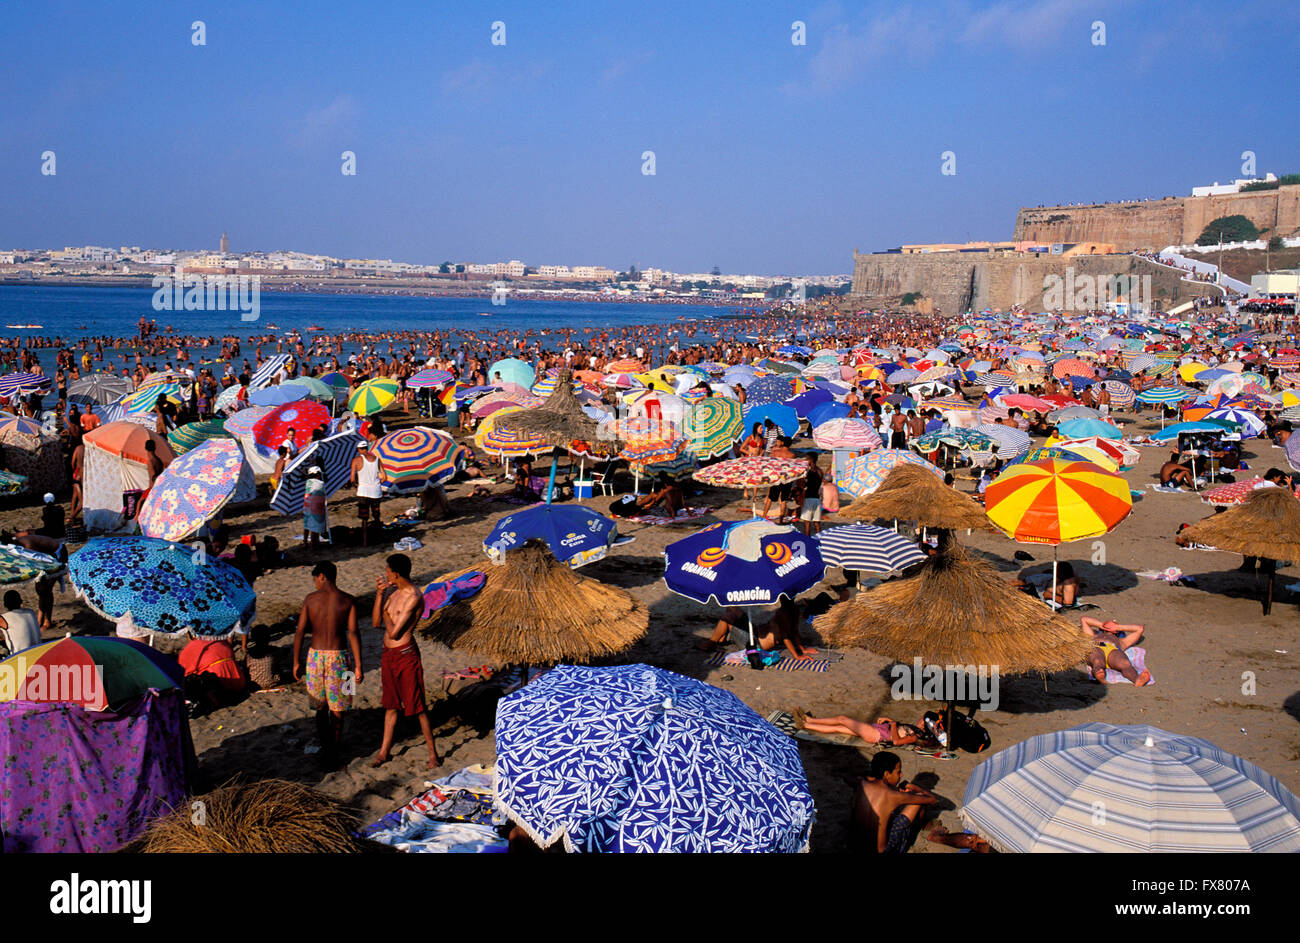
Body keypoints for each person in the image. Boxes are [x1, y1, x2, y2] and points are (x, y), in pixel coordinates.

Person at [371, 553, 439, 769]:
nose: (386, 574)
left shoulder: (413, 596)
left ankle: (433, 755)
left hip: (405, 655)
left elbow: (394, 632)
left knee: (417, 706)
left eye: (388, 570)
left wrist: (385, 614)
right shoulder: (392, 592)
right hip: (388, 655)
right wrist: (379, 595)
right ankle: (384, 752)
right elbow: (375, 622)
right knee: (391, 705)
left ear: (396, 573)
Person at [293, 561, 363, 768]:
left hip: (314, 658)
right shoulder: (348, 600)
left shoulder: (310, 599)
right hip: (340, 657)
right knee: (340, 707)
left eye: (315, 579)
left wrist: (296, 661)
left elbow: (299, 632)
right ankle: (335, 748)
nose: (314, 583)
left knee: (319, 706)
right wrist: (358, 665)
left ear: (321, 576)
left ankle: (325, 748)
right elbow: (353, 633)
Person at [852, 752, 939, 854]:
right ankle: (924, 826)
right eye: (898, 772)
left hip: (856, 847)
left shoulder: (861, 784)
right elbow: (933, 799)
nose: (901, 775)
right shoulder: (893, 796)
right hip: (884, 851)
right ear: (886, 774)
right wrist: (913, 787)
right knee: (919, 799)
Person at [1081, 616, 1151, 685]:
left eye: (1114, 624)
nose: (1112, 624)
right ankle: (1099, 675)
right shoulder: (1093, 636)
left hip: (1113, 649)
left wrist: (1118, 627)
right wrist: (1102, 625)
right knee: (1097, 661)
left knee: (1124, 663)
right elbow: (1084, 619)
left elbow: (1140, 629)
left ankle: (1136, 680)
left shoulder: (1122, 641)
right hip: (1097, 646)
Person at [793, 709, 921, 746]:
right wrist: (890, 721)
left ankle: (809, 720)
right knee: (839, 728)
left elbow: (896, 740)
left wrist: (892, 724)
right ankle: (806, 724)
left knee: (842, 719)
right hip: (876, 731)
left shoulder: (915, 736)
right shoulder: (915, 730)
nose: (920, 721)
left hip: (875, 734)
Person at [351, 440, 383, 545]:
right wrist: (376, 483)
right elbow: (384, 477)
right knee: (376, 515)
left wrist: (356, 487)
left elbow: (352, 480)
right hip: (376, 491)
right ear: (367, 448)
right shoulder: (377, 459)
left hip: (363, 491)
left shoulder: (356, 460)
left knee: (364, 518)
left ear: (359, 449)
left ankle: (365, 542)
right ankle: (379, 538)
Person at [0, 590, 41, 654]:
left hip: (19, 657)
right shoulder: (31, 612)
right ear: (20, 602)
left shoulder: (4, 618)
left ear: (5, 604)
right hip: (39, 652)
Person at [303, 464, 328, 547]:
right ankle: (313, 544)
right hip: (315, 507)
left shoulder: (308, 483)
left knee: (307, 525)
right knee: (315, 526)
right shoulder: (320, 483)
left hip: (307, 505)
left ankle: (305, 541)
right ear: (318, 474)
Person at [799, 455, 824, 536]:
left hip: (809, 498)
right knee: (817, 523)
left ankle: (807, 540)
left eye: (807, 459)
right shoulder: (820, 471)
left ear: (811, 460)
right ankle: (819, 539)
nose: (806, 461)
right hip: (817, 499)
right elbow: (818, 483)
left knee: (807, 523)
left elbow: (804, 484)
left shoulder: (809, 471)